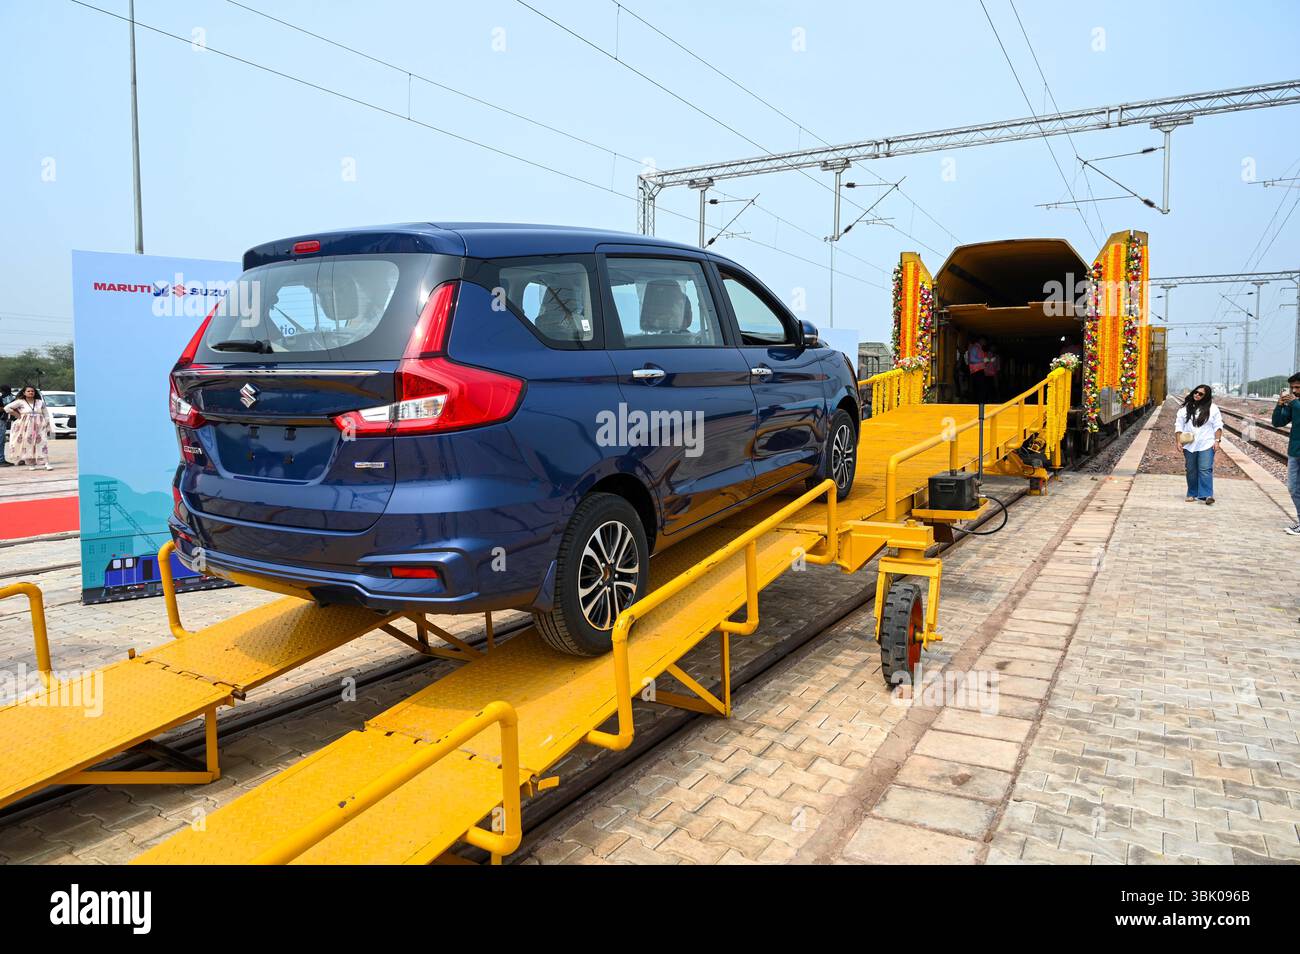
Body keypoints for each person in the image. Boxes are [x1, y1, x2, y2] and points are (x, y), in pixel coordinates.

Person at [1174, 383, 1223, 505]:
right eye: (1195, 392)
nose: (1197, 395)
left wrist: (1217, 441)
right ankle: (1192, 493)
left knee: (1205, 469)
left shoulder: (1213, 409)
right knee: (1191, 469)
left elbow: (1218, 426)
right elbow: (1178, 426)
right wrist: (1178, 440)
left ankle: (1206, 495)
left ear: (1206, 397)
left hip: (1206, 443)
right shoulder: (1184, 409)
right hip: (1189, 444)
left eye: (1200, 394)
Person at [1272, 371, 1300, 534]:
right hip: (1295, 451)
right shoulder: (1294, 403)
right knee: (1293, 488)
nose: (1295, 391)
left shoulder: (1296, 403)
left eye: (1298, 387)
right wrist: (1280, 405)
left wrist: (1295, 403)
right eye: (1292, 388)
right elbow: (1277, 422)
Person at [3, 385, 53, 471]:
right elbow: (7, 408)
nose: (31, 393)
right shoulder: (20, 402)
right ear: (24, 393)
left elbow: (46, 414)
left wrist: (47, 424)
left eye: (32, 391)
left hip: (39, 425)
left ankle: (46, 463)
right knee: (28, 443)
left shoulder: (40, 402)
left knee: (42, 443)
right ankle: (31, 463)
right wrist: (17, 415)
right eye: (28, 391)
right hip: (26, 426)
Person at [966, 337, 987, 403]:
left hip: (979, 370)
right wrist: (983, 360)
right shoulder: (975, 348)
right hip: (976, 371)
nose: (985, 343)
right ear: (981, 340)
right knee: (979, 389)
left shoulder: (979, 348)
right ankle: (978, 404)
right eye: (984, 341)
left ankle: (979, 404)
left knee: (979, 389)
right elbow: (972, 359)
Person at [0, 385, 12, 467]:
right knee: (1, 440)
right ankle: (1, 460)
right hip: (0, 420)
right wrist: (6, 408)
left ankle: (2, 459)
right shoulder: (4, 397)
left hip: (2, 420)